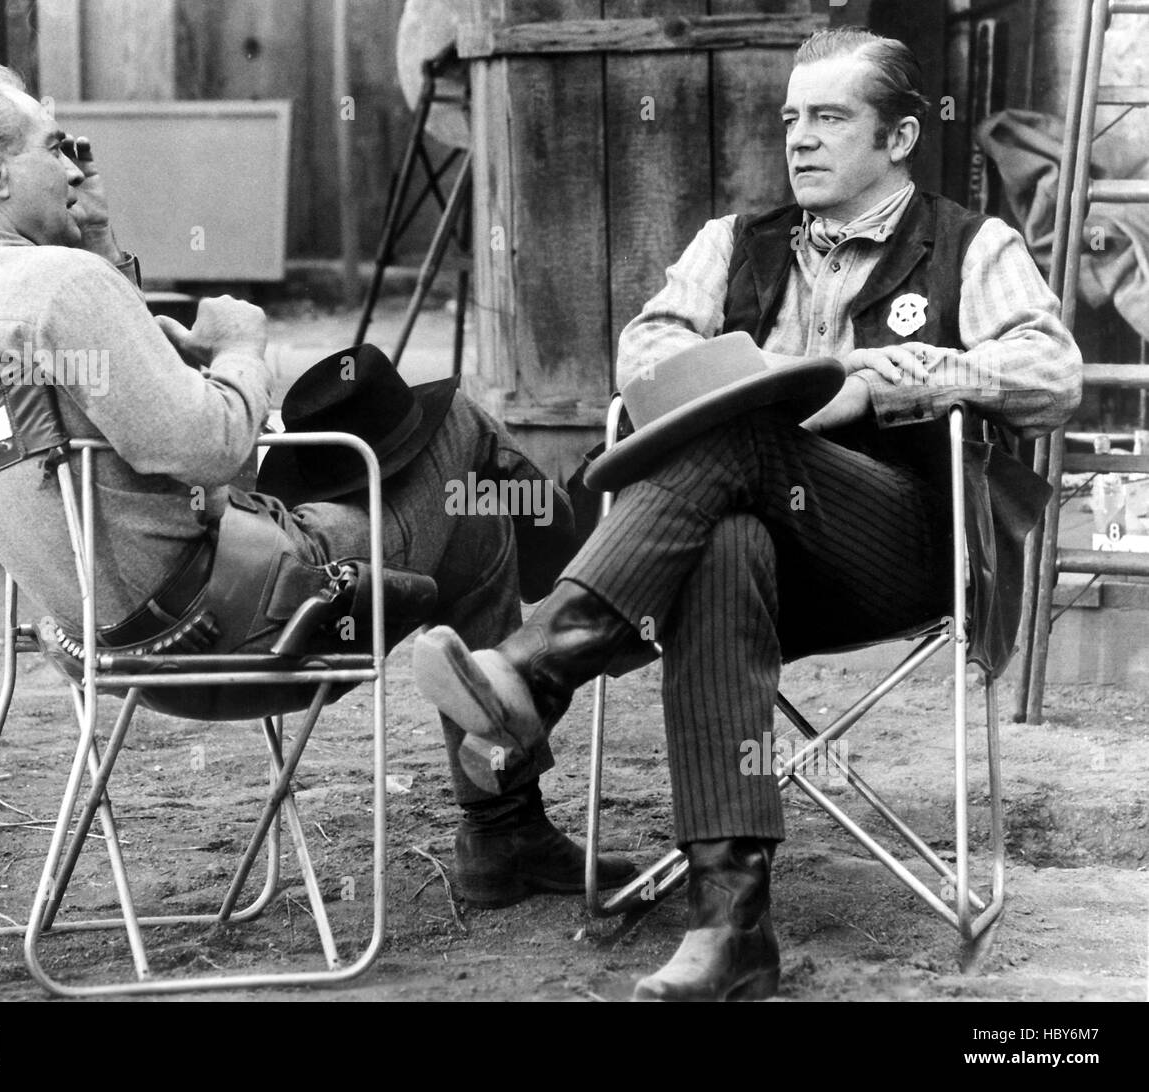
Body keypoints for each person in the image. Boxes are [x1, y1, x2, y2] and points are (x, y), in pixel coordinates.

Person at [413, 26, 1083, 1001]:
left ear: (898, 139)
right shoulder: (733, 244)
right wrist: (767, 372)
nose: (799, 140)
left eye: (829, 118)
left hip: (902, 543)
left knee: (739, 429)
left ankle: (539, 663)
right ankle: (733, 930)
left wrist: (885, 380)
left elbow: (1052, 373)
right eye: (789, 120)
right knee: (724, 538)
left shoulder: (972, 246)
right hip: (753, 548)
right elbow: (643, 356)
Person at [0, 58, 634, 913]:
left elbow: (96, 414)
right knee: (459, 425)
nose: (69, 166)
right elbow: (212, 450)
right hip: (241, 625)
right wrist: (243, 343)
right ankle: (577, 595)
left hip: (104, 638)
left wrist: (92, 238)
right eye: (50, 148)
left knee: (473, 535)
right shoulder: (58, 289)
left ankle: (509, 813)